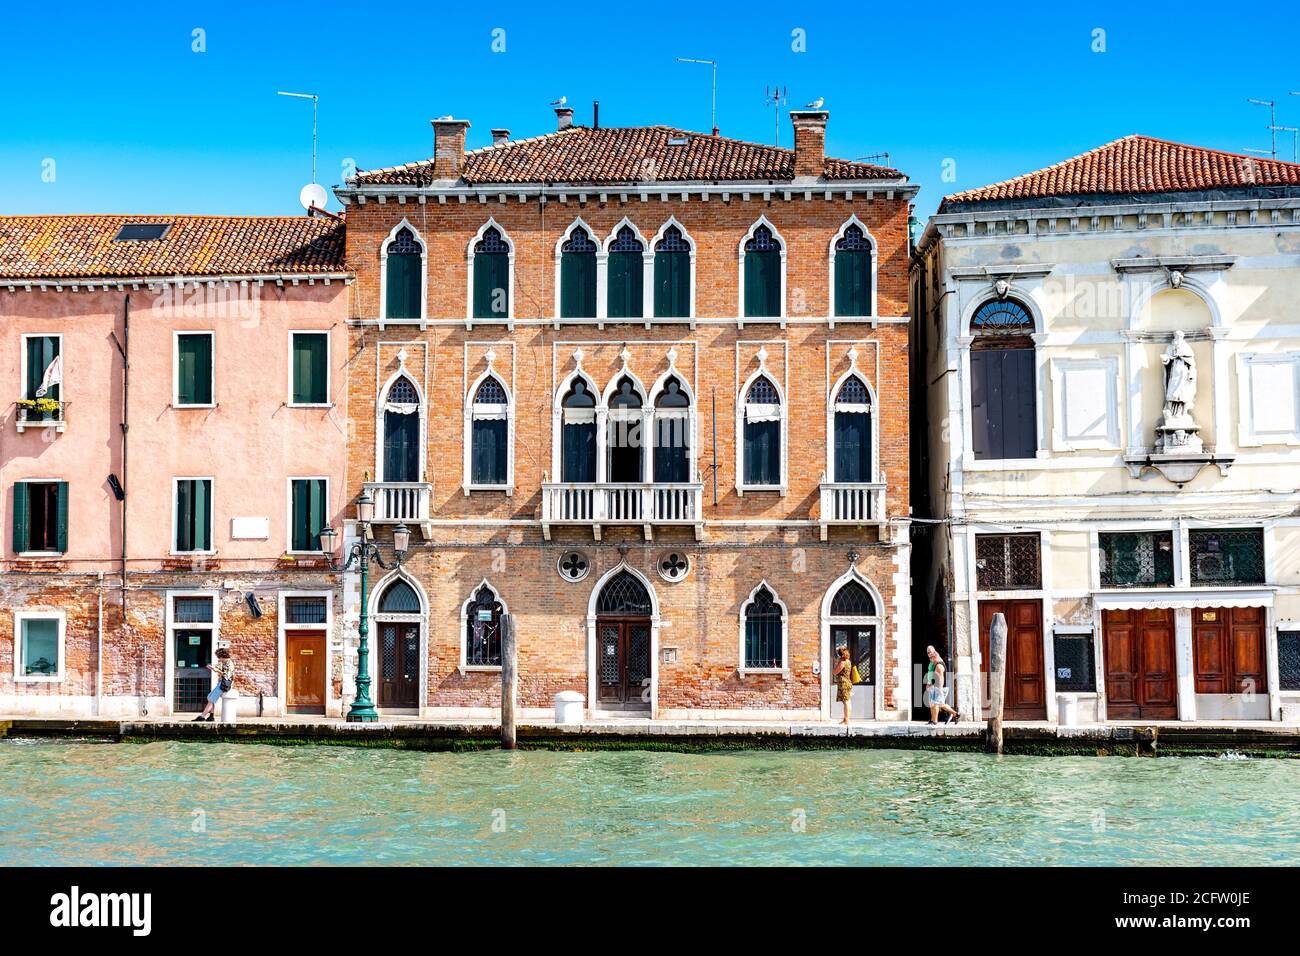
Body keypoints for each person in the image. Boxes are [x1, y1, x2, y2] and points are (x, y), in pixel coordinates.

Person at [194, 646, 234, 722]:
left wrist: (216, 670)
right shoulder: (224, 662)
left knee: (211, 699)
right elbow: (219, 668)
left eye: (219, 657)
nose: (219, 659)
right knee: (210, 697)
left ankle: (202, 716)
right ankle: (211, 716)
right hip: (221, 683)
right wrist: (213, 668)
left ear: (223, 656)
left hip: (224, 684)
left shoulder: (230, 664)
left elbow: (227, 675)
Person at [923, 645, 960, 726]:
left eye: (932, 658)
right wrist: (930, 684)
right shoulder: (935, 664)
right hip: (935, 686)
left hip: (940, 687)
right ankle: (955, 714)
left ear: (935, 657)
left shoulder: (939, 666)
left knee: (936, 703)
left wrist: (939, 689)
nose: (930, 660)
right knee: (937, 703)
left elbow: (941, 679)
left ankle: (934, 721)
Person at [833, 645, 854, 726]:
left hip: (843, 683)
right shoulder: (848, 661)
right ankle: (845, 719)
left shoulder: (842, 662)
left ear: (839, 654)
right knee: (847, 702)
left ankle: (846, 720)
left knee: (846, 702)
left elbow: (835, 672)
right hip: (847, 682)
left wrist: (837, 663)